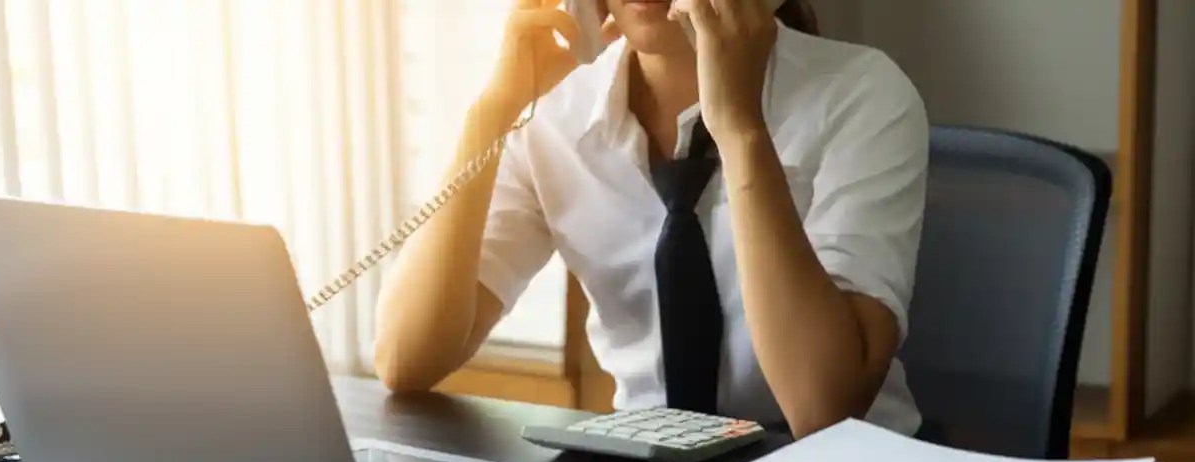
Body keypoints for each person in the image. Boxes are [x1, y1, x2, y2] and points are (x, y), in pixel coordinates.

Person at [374, 0, 928, 439]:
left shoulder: (863, 93)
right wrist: (493, 111)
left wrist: (740, 130)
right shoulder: (559, 118)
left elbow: (822, 411)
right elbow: (406, 359)